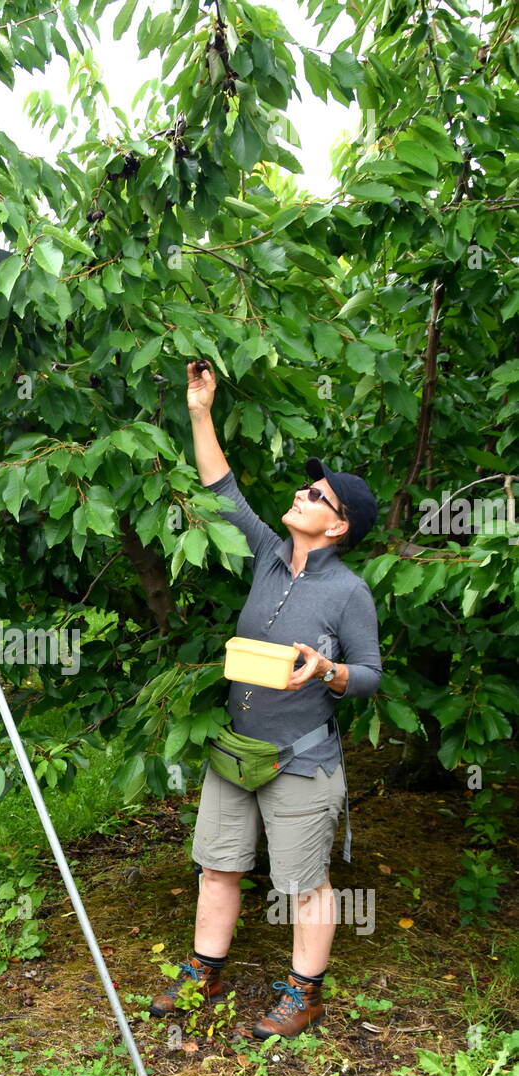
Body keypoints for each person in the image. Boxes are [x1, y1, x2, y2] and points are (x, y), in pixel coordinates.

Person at [150, 360, 382, 1038]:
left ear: (338, 527)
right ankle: (203, 972)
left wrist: (326, 670)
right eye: (307, 488)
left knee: (304, 885)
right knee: (217, 867)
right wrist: (200, 410)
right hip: (237, 750)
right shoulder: (268, 554)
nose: (302, 495)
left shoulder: (349, 592)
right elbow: (219, 488)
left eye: (316, 496)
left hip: (302, 761)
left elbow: (371, 675)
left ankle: (303, 993)